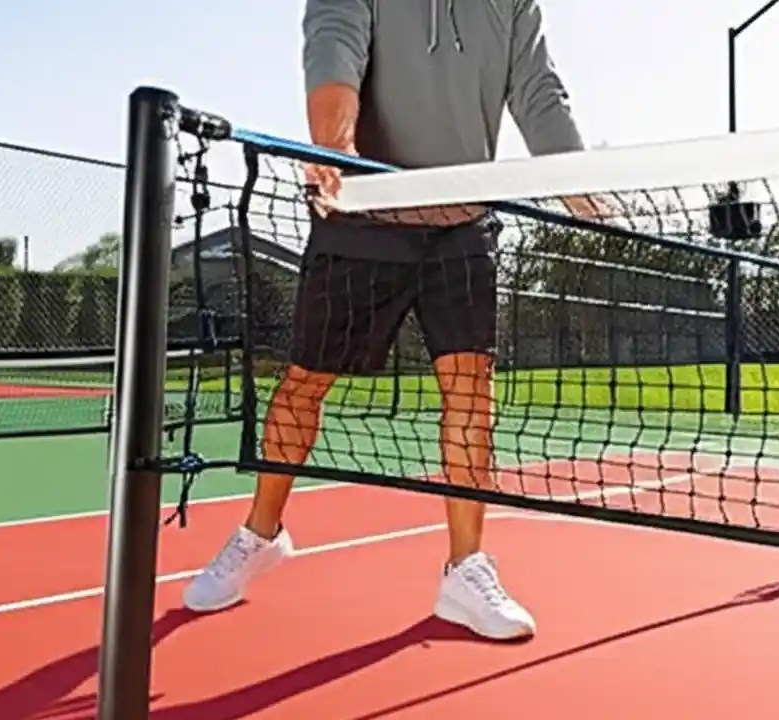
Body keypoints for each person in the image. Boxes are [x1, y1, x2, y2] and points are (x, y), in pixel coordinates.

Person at [183, 0, 600, 640]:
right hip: (364, 215)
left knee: (471, 389)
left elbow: (538, 86)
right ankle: (261, 533)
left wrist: (572, 170)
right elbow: (332, 50)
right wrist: (336, 148)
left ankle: (466, 569)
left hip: (463, 224)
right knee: (305, 383)